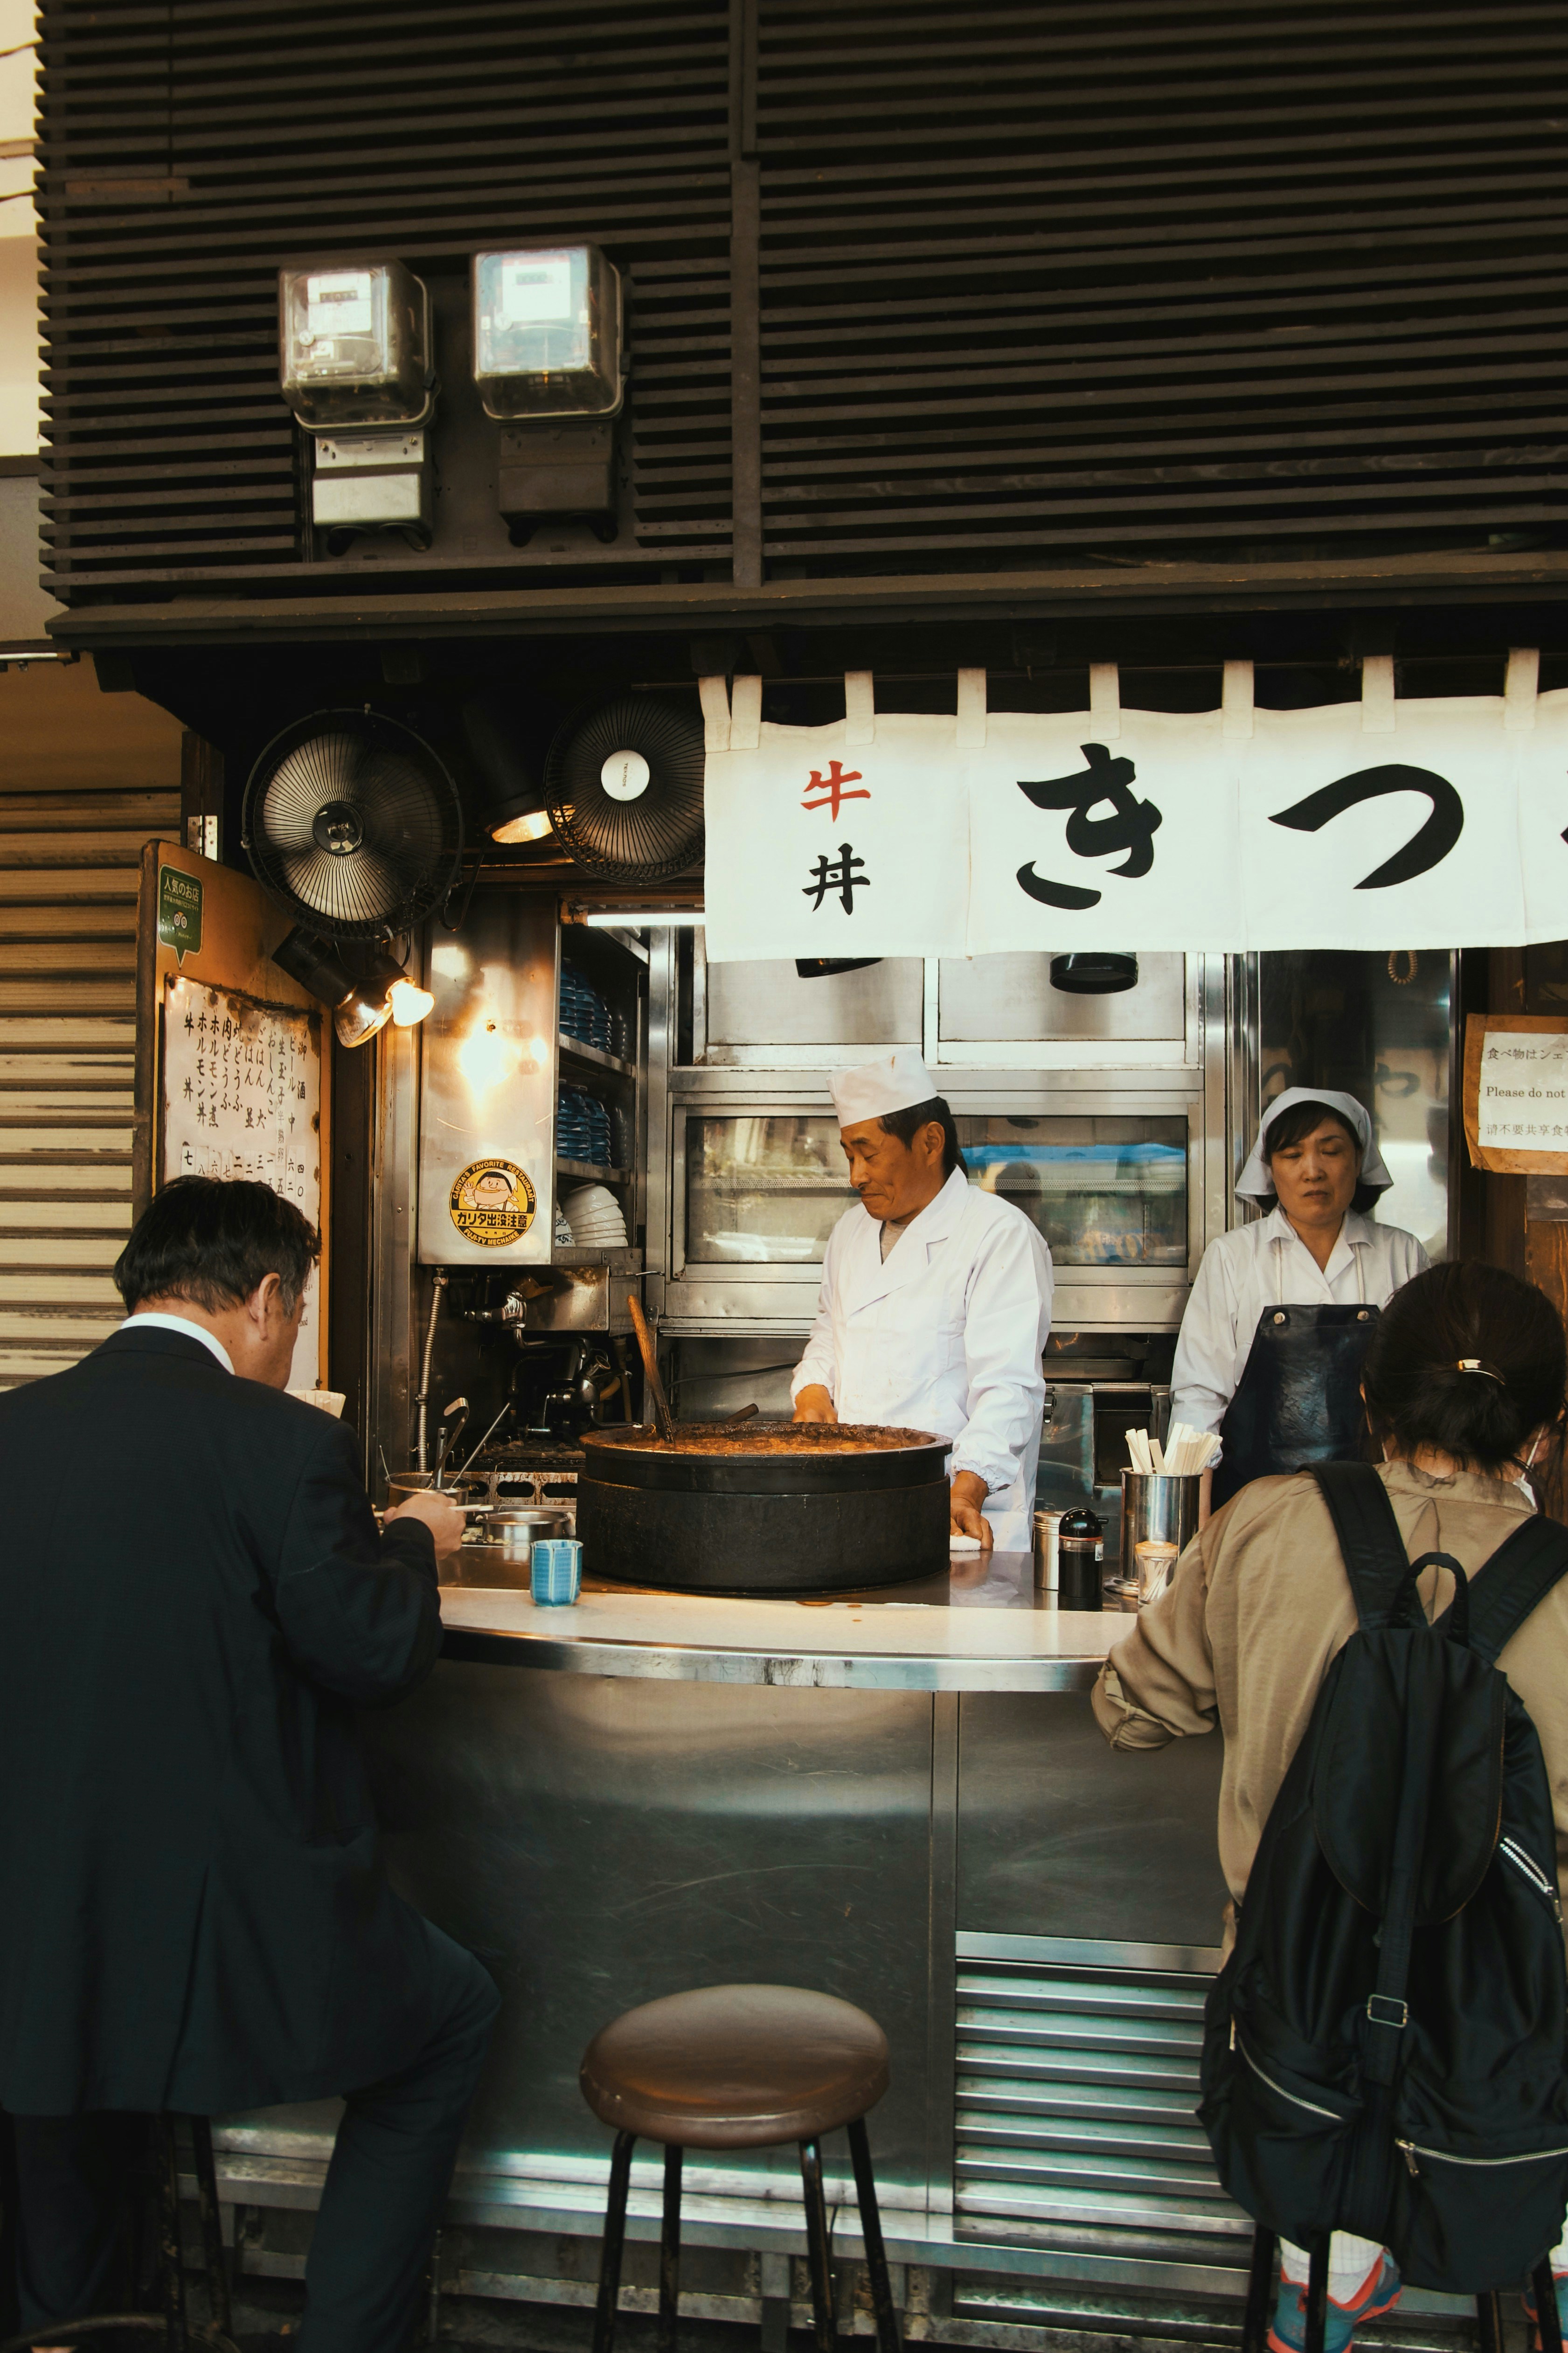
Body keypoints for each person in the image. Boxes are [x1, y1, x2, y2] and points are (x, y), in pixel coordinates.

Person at [0, 1176, 495, 2353]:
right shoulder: (285, 1444)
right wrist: (412, 1542)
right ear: (269, 1298)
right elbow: (372, 1652)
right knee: (452, 2017)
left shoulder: (12, 1429)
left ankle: (67, 2333)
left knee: (59, 2084)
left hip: (34, 1927)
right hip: (231, 1927)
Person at [1093, 1260, 1568, 2352]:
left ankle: (1328, 2281)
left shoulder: (1261, 1524)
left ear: (1367, 1401)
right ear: (1543, 1431)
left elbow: (1129, 1708)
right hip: (1514, 2077)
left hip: (1294, 2044)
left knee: (1329, 2085)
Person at [791, 1048, 1054, 1548]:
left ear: (929, 1142)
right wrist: (812, 1391)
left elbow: (1008, 1389)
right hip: (851, 1502)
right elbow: (829, 1332)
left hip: (953, 1510)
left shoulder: (997, 1235)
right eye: (849, 1156)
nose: (855, 1176)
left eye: (868, 1154)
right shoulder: (849, 1232)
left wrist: (966, 1489)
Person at [1171, 1089, 1428, 1512]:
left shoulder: (1403, 1254)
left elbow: (1423, 1396)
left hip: (1379, 1508)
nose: (1313, 1171)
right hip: (1255, 1509)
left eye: (1331, 1151)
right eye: (1292, 1155)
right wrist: (1197, 1535)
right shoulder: (1234, 1257)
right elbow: (1199, 1400)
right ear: (1270, 1169)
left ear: (1359, 1160)